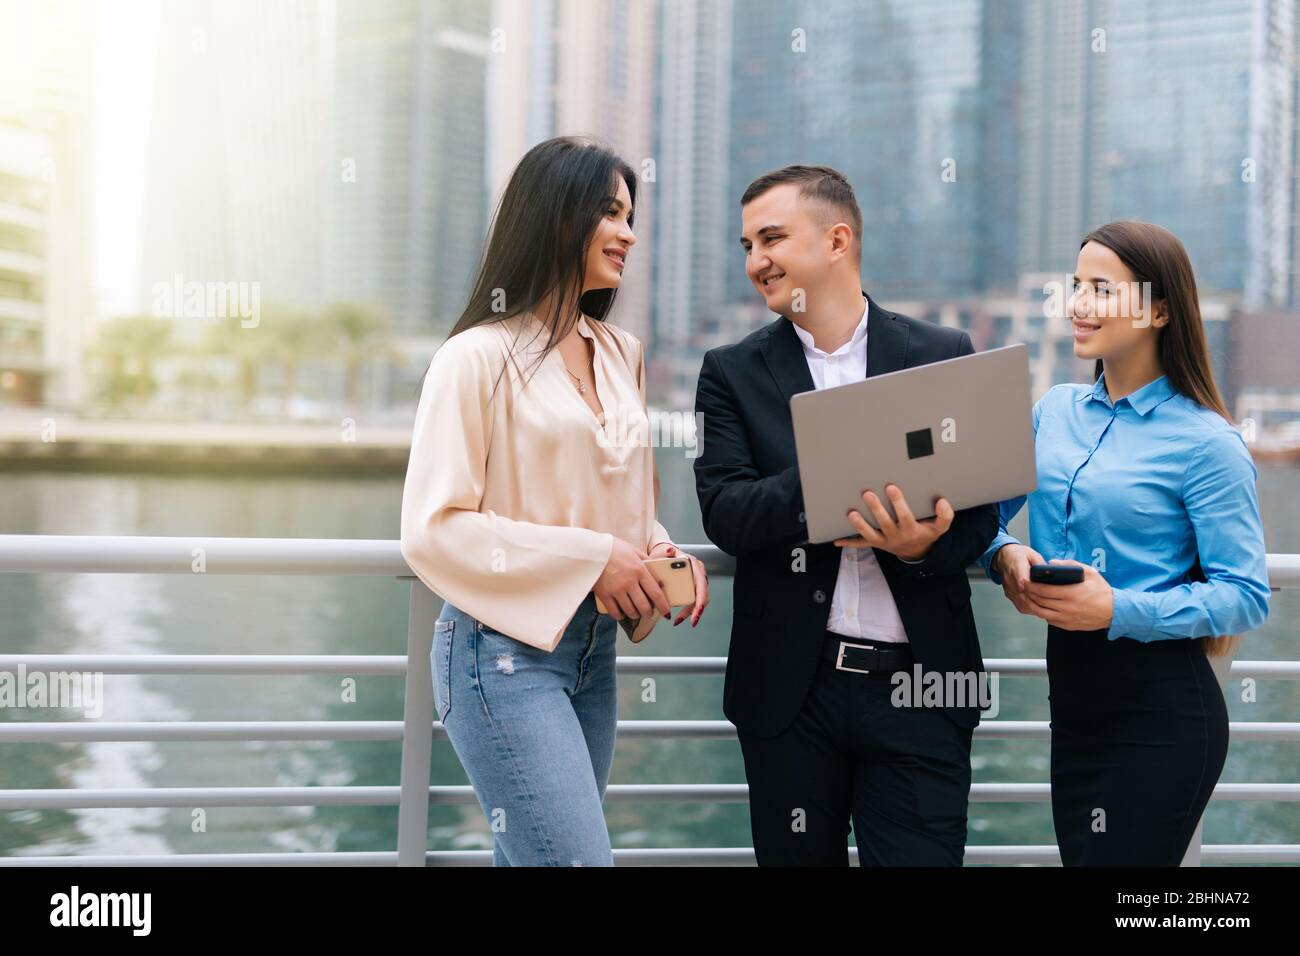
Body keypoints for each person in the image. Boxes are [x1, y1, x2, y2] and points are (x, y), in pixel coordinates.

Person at [400, 135, 709, 866]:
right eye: (609, 212)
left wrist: (658, 550)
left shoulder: (619, 352)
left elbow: (620, 495)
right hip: (498, 653)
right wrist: (596, 557)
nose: (629, 232)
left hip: (593, 651)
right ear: (555, 216)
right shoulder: (474, 357)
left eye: (631, 214)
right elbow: (433, 528)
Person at [694, 164, 998, 865]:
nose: (755, 261)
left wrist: (921, 547)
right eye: (746, 246)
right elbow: (726, 512)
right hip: (792, 698)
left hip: (924, 687)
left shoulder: (942, 356)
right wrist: (849, 470)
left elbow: (982, 517)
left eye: (771, 238)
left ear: (837, 240)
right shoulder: (728, 372)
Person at [981, 219, 1270, 866]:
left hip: (1163, 712)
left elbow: (1246, 595)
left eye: (1103, 290)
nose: (1080, 305)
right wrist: (1004, 556)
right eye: (1076, 286)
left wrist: (1117, 609)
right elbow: (984, 519)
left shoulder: (1206, 443)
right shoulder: (1052, 412)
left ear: (1160, 308)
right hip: (1075, 701)